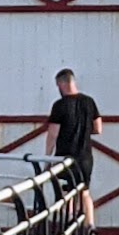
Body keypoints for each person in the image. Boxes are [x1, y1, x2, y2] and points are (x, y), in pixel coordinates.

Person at [48, 69, 102, 210]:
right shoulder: (89, 102)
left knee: (67, 193)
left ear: (62, 83)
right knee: (84, 193)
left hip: (65, 158)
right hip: (85, 157)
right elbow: (98, 129)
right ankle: (90, 227)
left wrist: (47, 158)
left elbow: (53, 134)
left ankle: (69, 227)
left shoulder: (59, 105)